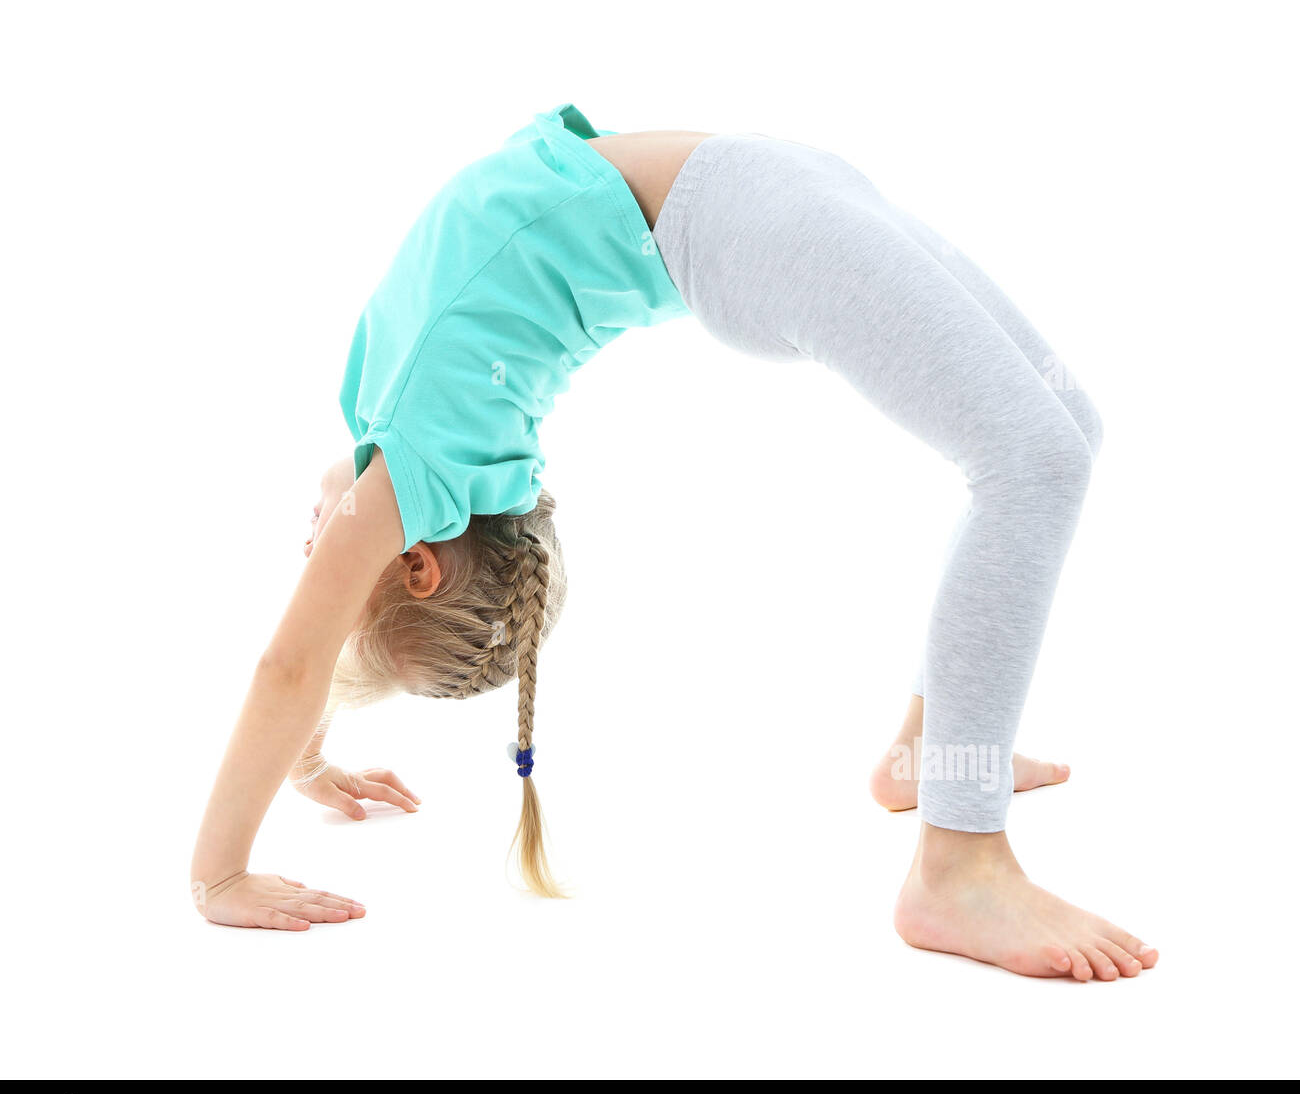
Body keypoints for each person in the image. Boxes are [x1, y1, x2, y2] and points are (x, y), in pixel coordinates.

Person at [191, 104, 1157, 982]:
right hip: (753, 225)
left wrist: (306, 760)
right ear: (418, 561)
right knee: (1032, 460)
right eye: (334, 572)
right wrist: (221, 874)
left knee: (1067, 426)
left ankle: (932, 752)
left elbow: (305, 659)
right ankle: (958, 864)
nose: (315, 559)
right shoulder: (424, 466)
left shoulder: (405, 433)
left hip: (767, 195)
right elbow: (295, 664)